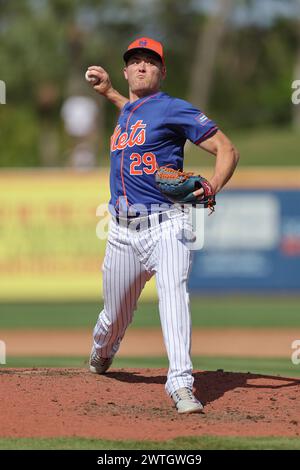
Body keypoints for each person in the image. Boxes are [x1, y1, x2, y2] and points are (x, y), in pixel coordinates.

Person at [86, 37, 239, 414]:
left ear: (162, 71)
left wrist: (212, 187)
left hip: (168, 223)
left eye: (150, 62)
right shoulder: (130, 111)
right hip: (121, 231)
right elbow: (136, 112)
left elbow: (227, 149)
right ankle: (103, 350)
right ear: (125, 71)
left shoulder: (174, 109)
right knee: (114, 314)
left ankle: (181, 383)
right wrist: (109, 93)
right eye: (135, 61)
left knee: (173, 294)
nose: (141, 67)